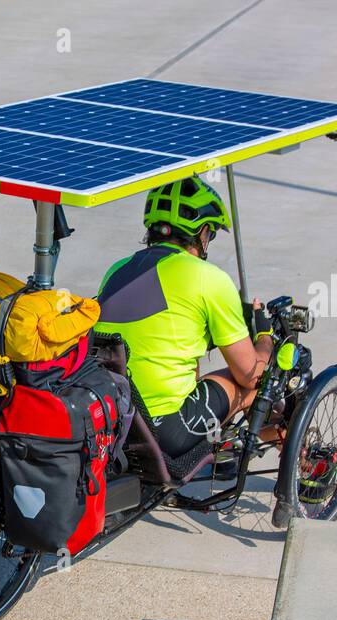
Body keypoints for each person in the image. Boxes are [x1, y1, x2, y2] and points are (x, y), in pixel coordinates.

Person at [92, 174, 275, 463]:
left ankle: (219, 446)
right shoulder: (209, 278)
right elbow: (250, 374)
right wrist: (264, 336)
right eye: (210, 234)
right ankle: (307, 468)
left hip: (112, 419)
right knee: (262, 384)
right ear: (201, 232)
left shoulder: (117, 269)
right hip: (164, 432)